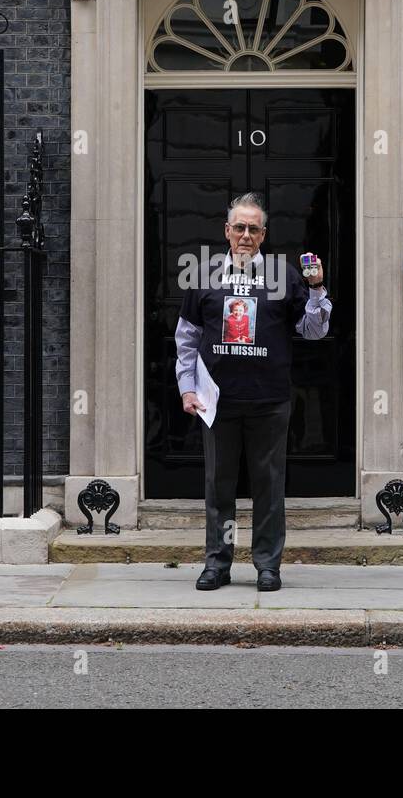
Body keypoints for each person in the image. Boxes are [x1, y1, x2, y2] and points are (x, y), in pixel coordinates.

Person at [174, 192, 331, 591]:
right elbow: (187, 340)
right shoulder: (204, 276)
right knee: (218, 488)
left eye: (253, 228)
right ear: (227, 231)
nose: (246, 234)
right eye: (239, 227)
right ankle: (218, 564)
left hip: (270, 400)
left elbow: (314, 331)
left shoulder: (286, 277)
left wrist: (317, 290)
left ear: (263, 234)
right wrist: (187, 389)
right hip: (216, 401)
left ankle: (267, 565)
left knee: (269, 487)